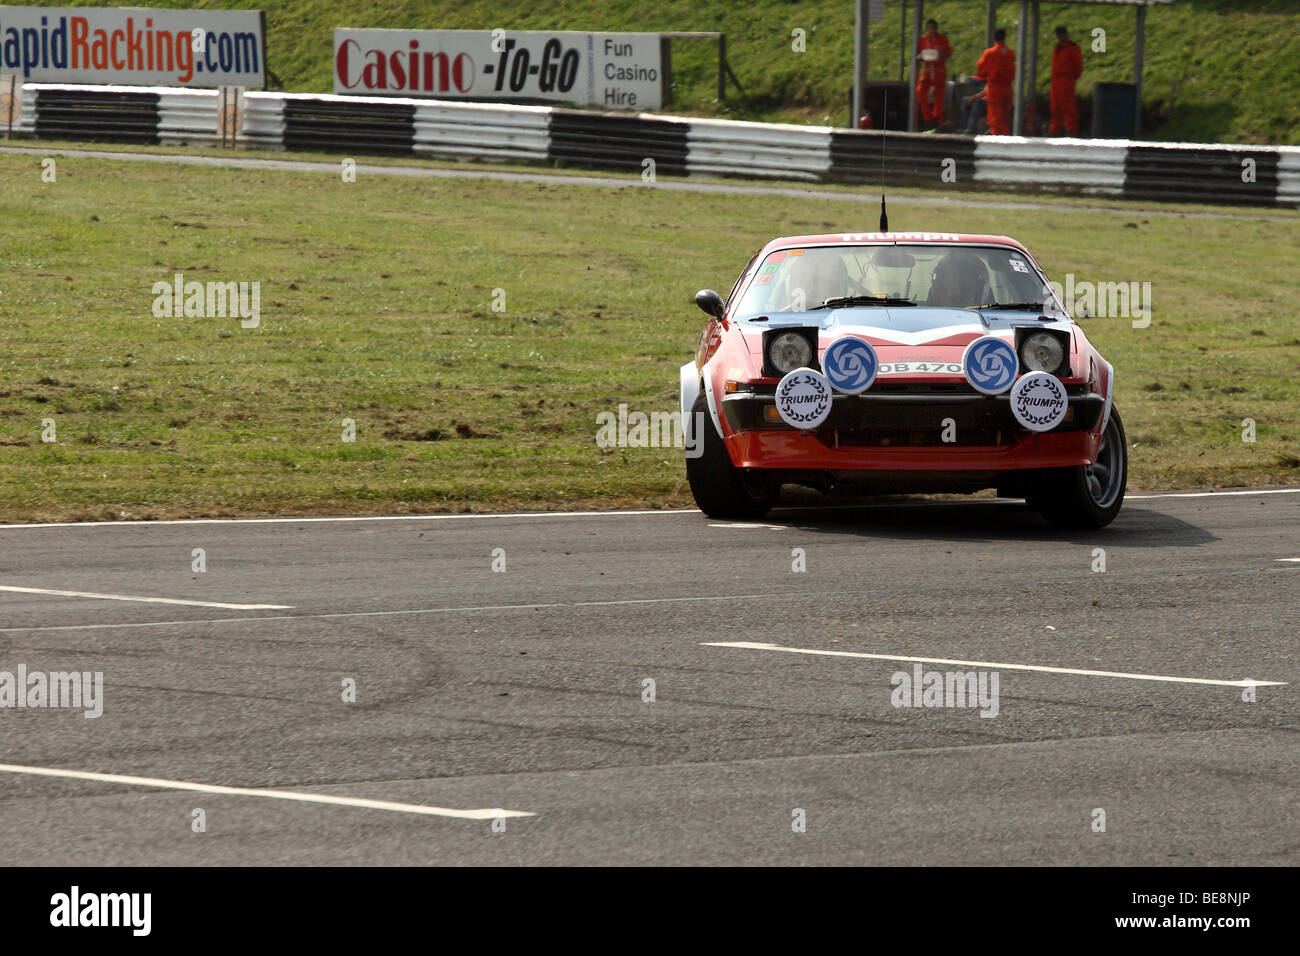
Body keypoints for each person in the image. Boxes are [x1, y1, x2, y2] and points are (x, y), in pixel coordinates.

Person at [973, 28, 1015, 135]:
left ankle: (997, 140)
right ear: (1004, 38)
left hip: (995, 88)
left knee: (995, 117)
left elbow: (980, 70)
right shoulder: (1011, 53)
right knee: (1005, 118)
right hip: (1007, 88)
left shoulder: (989, 53)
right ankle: (1005, 138)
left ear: (993, 38)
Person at [915, 19, 952, 128]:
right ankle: (928, 118)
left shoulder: (942, 40)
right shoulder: (923, 40)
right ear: (926, 29)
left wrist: (941, 55)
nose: (931, 30)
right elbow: (918, 55)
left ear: (936, 29)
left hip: (939, 72)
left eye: (933, 28)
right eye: (929, 28)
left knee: (938, 98)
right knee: (920, 91)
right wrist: (920, 58)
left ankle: (938, 120)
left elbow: (948, 54)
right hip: (927, 71)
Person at [1049, 26, 1084, 136]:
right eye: (1058, 34)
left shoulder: (1072, 47)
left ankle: (1071, 130)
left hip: (1066, 80)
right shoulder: (1057, 47)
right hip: (1056, 81)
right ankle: (1055, 130)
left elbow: (1078, 66)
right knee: (1055, 108)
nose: (1059, 36)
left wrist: (1071, 78)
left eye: (1061, 34)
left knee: (1068, 107)